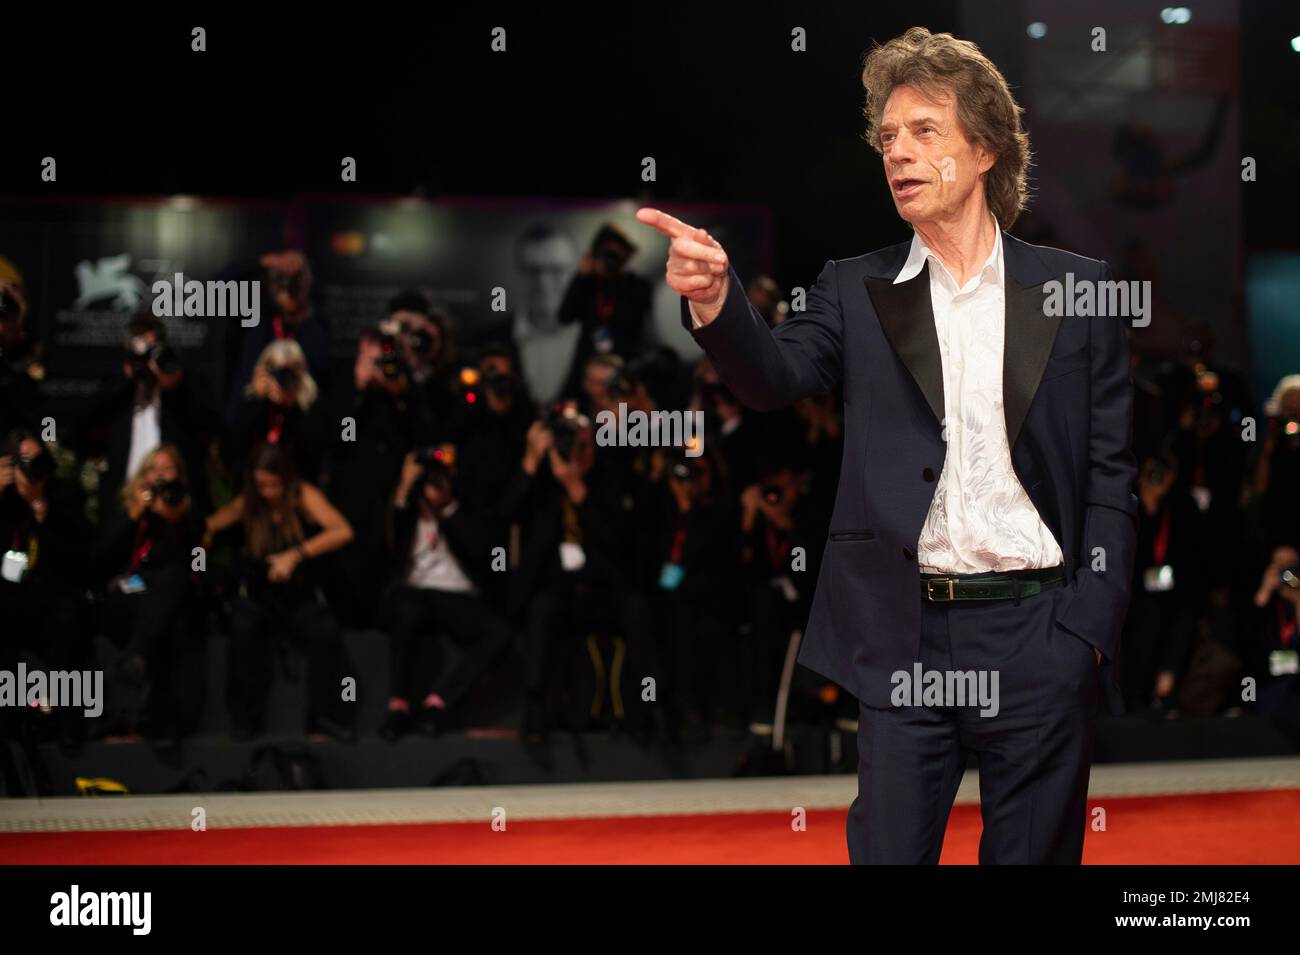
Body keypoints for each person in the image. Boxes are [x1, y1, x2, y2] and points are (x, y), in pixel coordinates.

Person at [637, 26, 1138, 864]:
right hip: (905, 637)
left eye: (923, 132)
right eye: (887, 138)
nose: (897, 153)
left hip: (1042, 634)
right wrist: (718, 301)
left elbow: (1113, 481)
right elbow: (772, 378)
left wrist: (1086, 630)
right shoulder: (853, 287)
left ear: (983, 150)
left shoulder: (1079, 290)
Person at [204, 443, 356, 742]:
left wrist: (295, 555)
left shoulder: (303, 495)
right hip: (260, 597)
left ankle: (325, 716)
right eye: (262, 485)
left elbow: (342, 530)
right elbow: (210, 525)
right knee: (242, 626)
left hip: (299, 594)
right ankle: (244, 719)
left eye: (274, 485)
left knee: (325, 630)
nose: (269, 492)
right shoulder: (248, 503)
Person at [379, 446, 512, 740]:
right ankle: (397, 707)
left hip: (457, 592)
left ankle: (437, 703)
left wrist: (448, 508)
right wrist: (403, 489)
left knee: (498, 632)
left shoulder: (469, 505)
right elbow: (388, 547)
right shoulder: (407, 507)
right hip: (414, 589)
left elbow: (484, 552)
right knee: (406, 610)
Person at [90, 444, 206, 745]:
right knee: (166, 620)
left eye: (167, 469)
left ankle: (139, 674)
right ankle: (148, 715)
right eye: (153, 468)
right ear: (142, 475)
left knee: (172, 593)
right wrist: (135, 514)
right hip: (122, 598)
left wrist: (175, 521)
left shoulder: (188, 514)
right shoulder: (123, 507)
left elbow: (196, 566)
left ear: (179, 477)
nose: (159, 476)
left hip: (163, 601)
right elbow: (99, 558)